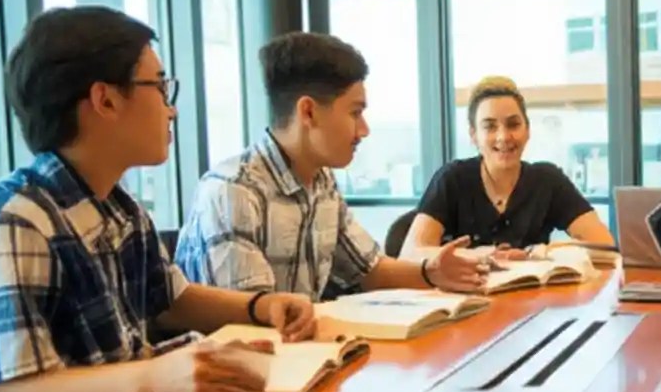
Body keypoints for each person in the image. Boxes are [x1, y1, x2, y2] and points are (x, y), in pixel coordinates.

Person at [0, 6, 316, 392]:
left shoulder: (121, 207)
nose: (171, 111)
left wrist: (259, 306)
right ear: (106, 99)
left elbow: (169, 299)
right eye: (159, 87)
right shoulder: (14, 220)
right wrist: (151, 380)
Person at [176, 32, 487, 300]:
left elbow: (369, 270)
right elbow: (252, 320)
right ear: (308, 112)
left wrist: (430, 272)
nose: (363, 130)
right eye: (355, 113)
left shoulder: (322, 182)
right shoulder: (233, 192)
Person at [401, 76, 614, 254]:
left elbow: (604, 244)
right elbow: (411, 253)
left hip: (532, 300)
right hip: (468, 298)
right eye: (490, 127)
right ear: (474, 136)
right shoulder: (453, 178)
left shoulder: (548, 180)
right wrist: (478, 258)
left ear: (527, 130)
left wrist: (540, 254)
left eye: (513, 124)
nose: (503, 137)